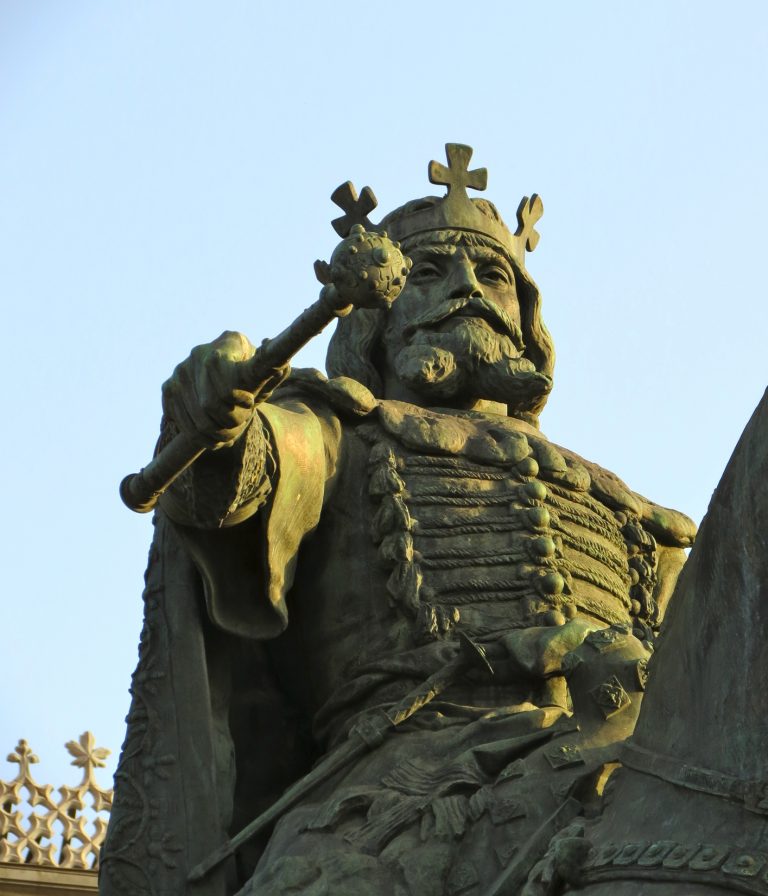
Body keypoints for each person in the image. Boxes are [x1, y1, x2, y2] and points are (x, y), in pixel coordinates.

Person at [101, 145, 695, 896]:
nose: (469, 291)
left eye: (493, 276)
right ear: (379, 314)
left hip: (618, 763)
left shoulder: (637, 516)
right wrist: (219, 419)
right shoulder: (340, 433)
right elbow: (248, 475)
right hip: (403, 790)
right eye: (432, 274)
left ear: (525, 316)